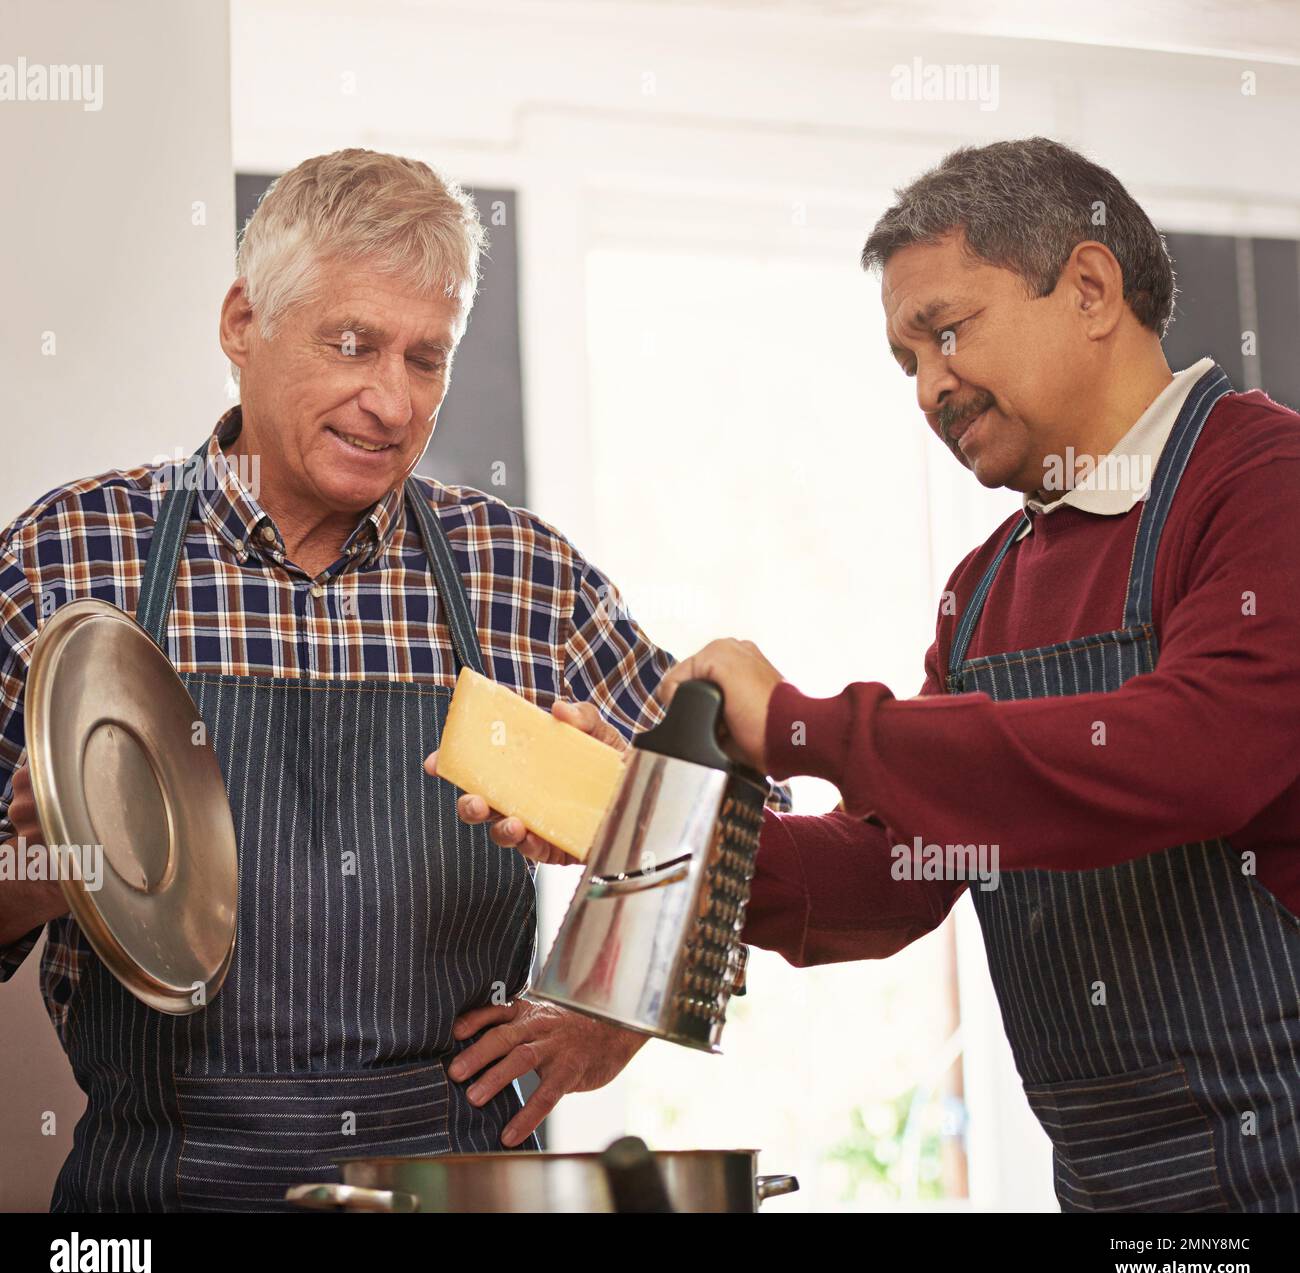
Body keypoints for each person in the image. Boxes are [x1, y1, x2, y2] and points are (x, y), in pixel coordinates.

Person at [451, 138, 1300, 1213]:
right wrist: (646, 829)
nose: (931, 388)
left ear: (1089, 288)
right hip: (1112, 1186)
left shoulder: (1262, 481)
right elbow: (892, 881)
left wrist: (802, 727)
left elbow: (1192, 759)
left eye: (947, 333)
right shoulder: (983, 588)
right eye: (908, 364)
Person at [0, 148, 671, 1211]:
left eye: (427, 358)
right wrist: (40, 876)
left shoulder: (521, 577)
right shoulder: (71, 557)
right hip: (159, 1189)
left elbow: (732, 835)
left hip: (453, 1185)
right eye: (354, 345)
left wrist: (618, 1003)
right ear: (240, 324)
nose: (392, 403)